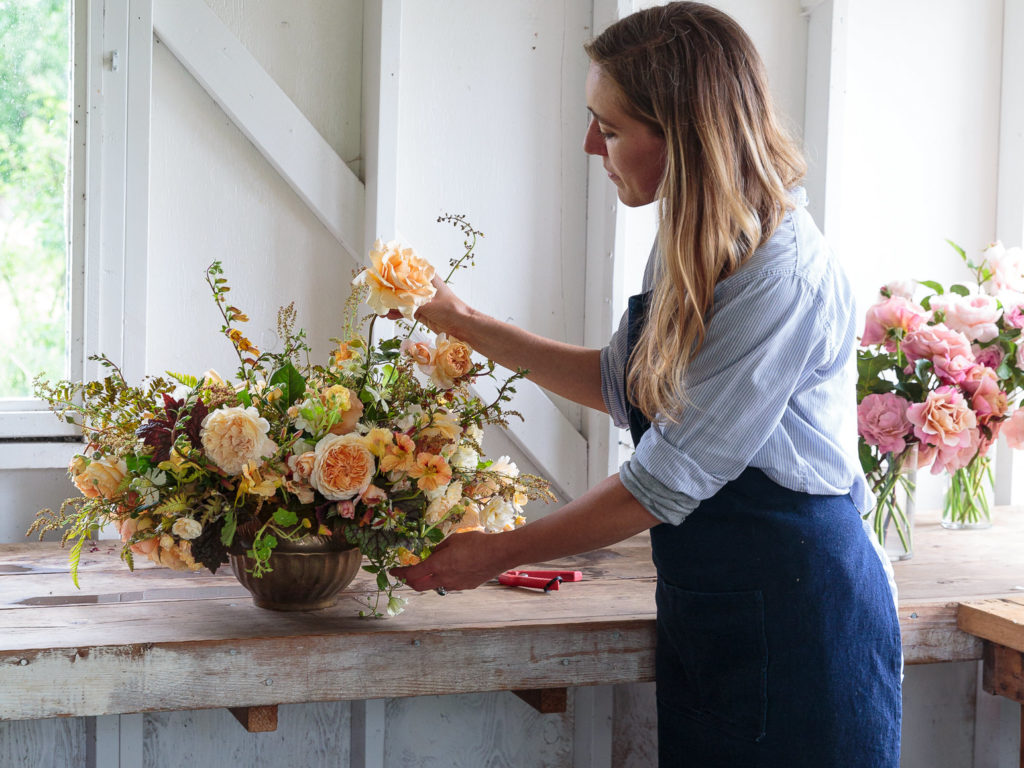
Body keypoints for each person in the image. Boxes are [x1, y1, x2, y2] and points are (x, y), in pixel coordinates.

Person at [391, 3, 902, 766]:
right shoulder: (691, 238)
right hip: (720, 603)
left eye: (613, 126)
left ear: (686, 135)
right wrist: (460, 319)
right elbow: (623, 383)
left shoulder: (780, 275)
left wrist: (493, 552)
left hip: (799, 613)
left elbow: (660, 486)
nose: (590, 143)